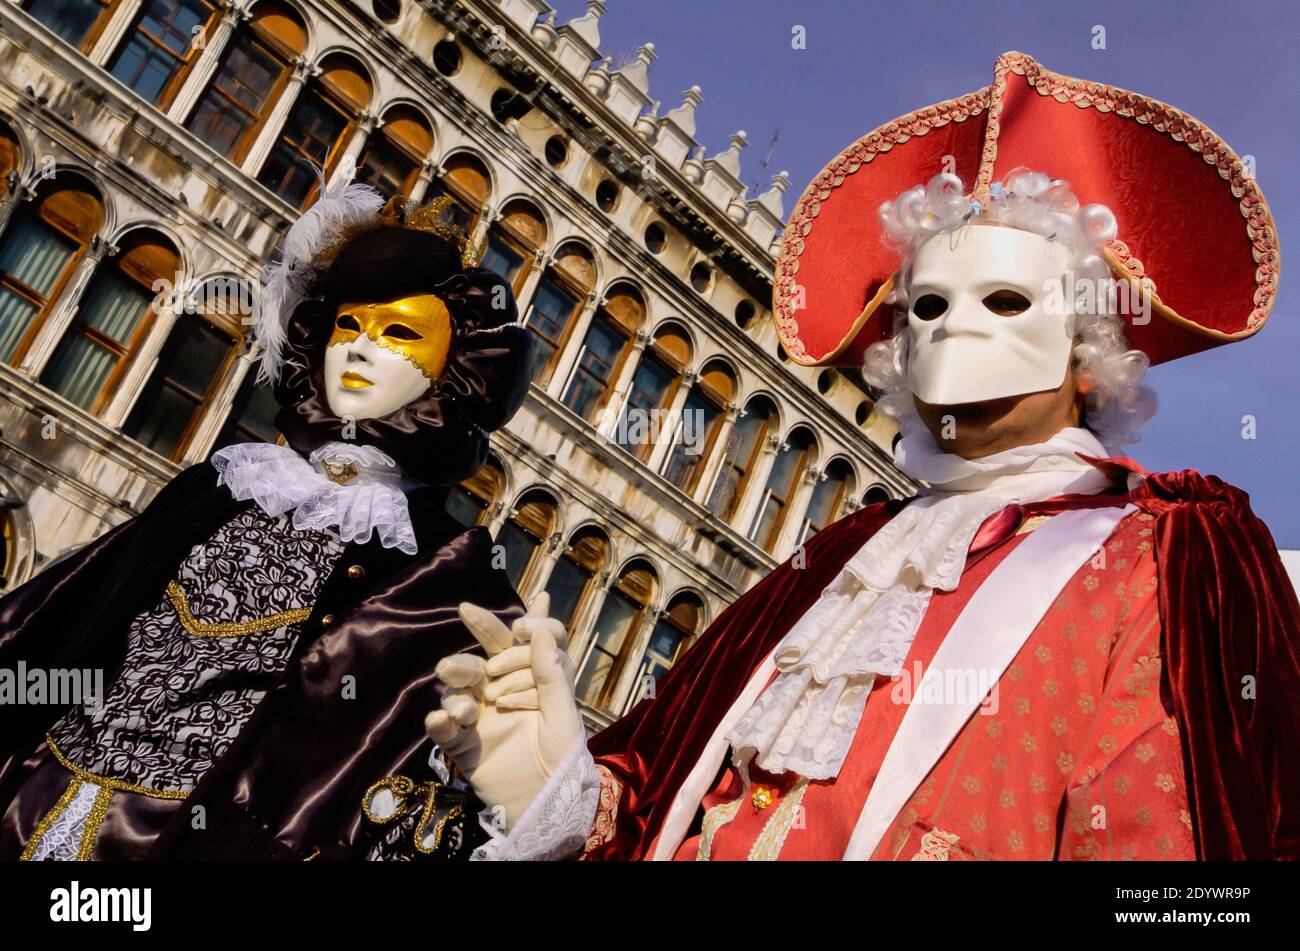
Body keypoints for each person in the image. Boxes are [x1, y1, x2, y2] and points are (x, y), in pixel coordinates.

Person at [428, 51, 1298, 861]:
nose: (956, 324)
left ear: (1085, 354)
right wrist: (555, 793)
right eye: (924, 307)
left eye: (1005, 300)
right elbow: (666, 790)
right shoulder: (839, 560)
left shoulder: (1167, 553)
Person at [0, 183, 532, 860]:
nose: (362, 352)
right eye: (349, 326)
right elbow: (59, 617)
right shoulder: (223, 486)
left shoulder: (437, 570)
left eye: (400, 333)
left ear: (455, 369)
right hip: (37, 803)